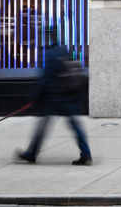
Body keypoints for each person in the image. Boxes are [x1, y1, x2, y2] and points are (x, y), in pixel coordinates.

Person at [15, 31, 92, 166]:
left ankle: (31, 154)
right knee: (75, 126)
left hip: (55, 98)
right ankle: (86, 154)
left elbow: (45, 79)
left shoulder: (49, 55)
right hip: (69, 95)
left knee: (42, 126)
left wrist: (35, 97)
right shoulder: (64, 49)